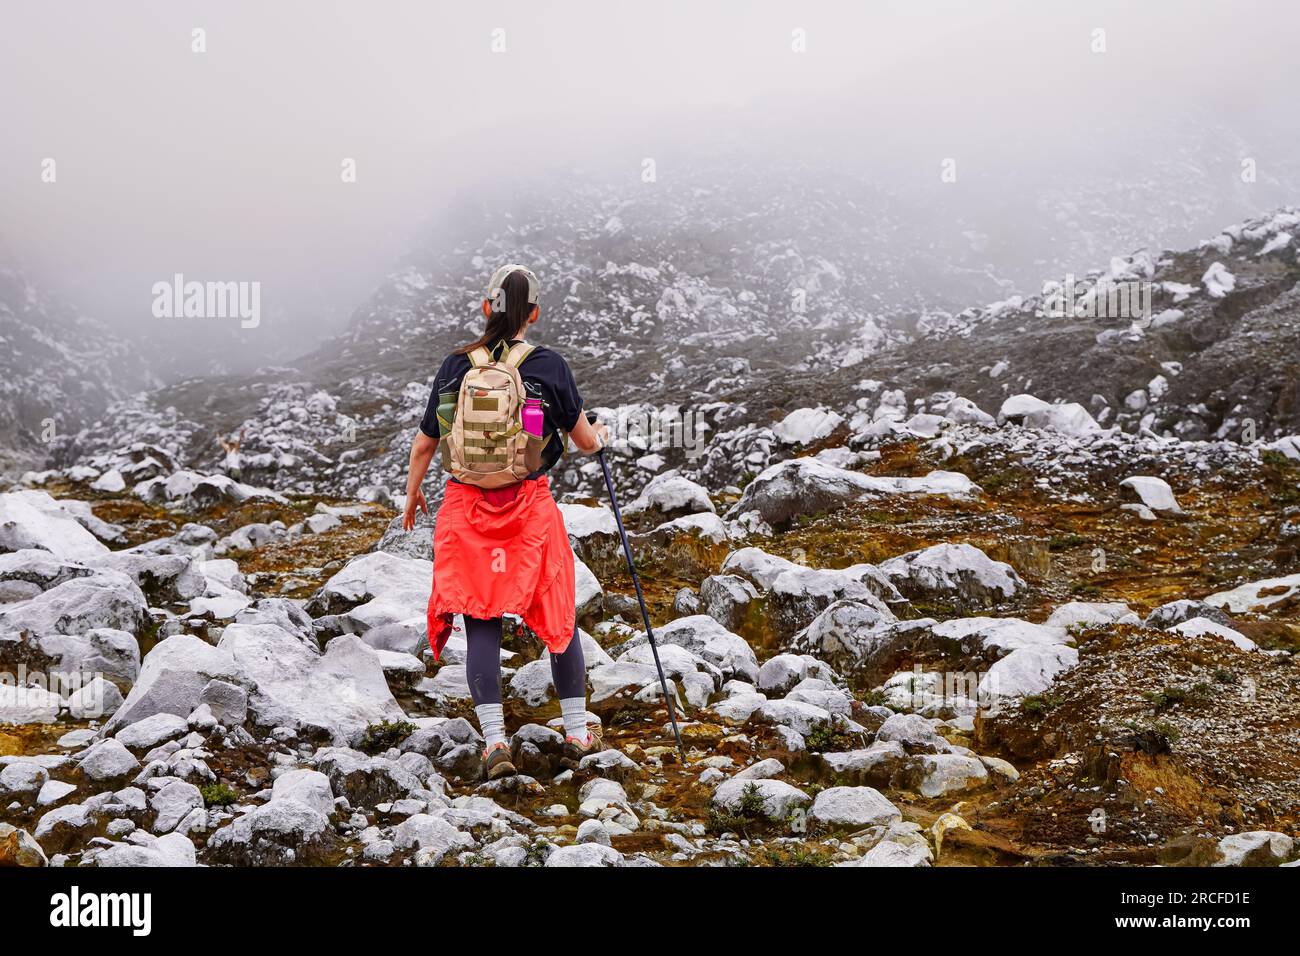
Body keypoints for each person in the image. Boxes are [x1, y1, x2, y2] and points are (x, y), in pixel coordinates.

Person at [403, 264, 610, 781]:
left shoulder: (456, 367)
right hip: (528, 510)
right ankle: (577, 732)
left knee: (481, 616)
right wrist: (600, 435)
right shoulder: (549, 366)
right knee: (558, 613)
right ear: (534, 314)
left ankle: (495, 742)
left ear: (485, 309)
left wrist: (411, 496)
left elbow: (427, 440)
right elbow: (584, 442)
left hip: (467, 510)